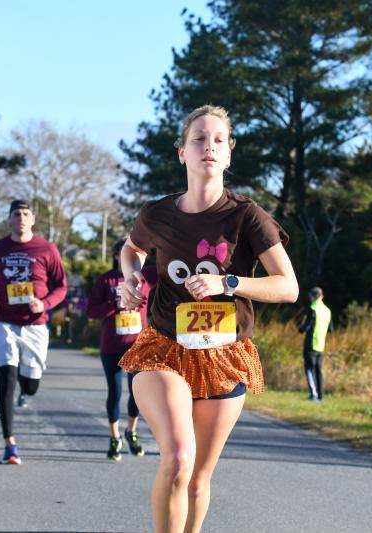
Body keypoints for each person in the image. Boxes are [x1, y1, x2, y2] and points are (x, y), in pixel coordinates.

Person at [119, 105, 298, 532]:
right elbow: (132, 250)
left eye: (219, 140)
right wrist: (130, 279)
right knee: (179, 459)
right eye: (199, 138)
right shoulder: (157, 214)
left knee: (198, 478)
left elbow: (287, 286)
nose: (209, 147)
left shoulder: (247, 216)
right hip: (164, 348)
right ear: (182, 152)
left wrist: (229, 283)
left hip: (223, 355)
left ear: (230, 153)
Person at [0, 199, 68, 465]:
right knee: (7, 376)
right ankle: (9, 445)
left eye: (26, 214)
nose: (22, 218)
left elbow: (61, 286)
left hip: (35, 325)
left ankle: (26, 390)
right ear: (9, 220)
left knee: (30, 385)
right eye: (17, 214)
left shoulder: (46, 249)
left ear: (33, 219)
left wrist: (44, 304)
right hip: (4, 322)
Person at [87, 238, 155, 461]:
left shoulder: (145, 277)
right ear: (118, 256)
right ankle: (114, 437)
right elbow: (91, 311)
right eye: (129, 254)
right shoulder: (106, 280)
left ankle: (131, 431)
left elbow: (170, 272)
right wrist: (114, 305)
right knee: (114, 393)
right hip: (112, 345)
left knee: (137, 392)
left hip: (137, 345)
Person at [298, 287, 332, 401]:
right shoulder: (327, 311)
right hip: (321, 345)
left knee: (309, 369)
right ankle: (321, 395)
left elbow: (306, 326)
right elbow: (331, 329)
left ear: (313, 296)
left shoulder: (312, 308)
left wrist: (300, 328)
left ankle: (313, 394)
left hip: (310, 344)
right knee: (319, 371)